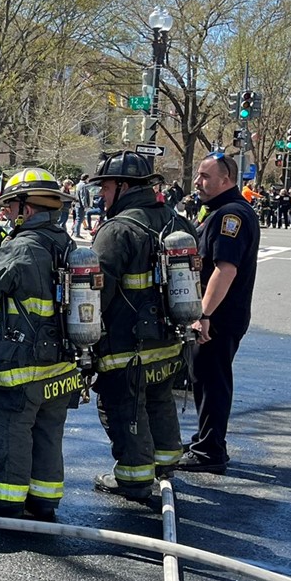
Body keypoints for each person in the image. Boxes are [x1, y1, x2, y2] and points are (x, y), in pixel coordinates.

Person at [0, 166, 84, 522]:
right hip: (61, 365)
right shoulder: (67, 245)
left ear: (27, 208)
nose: (5, 213)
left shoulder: (20, 249)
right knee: (48, 434)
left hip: (21, 364)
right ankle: (43, 501)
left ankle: (4, 501)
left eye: (10, 206)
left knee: (10, 430)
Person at [85, 152, 199, 505]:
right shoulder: (177, 222)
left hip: (126, 344)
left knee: (123, 406)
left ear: (124, 186)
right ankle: (165, 463)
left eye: (105, 187)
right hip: (168, 340)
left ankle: (133, 479)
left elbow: (97, 293)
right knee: (158, 399)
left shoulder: (117, 230)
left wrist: (83, 339)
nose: (101, 195)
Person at [177, 150, 261, 475]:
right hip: (217, 315)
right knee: (204, 379)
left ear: (226, 180)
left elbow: (225, 270)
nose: (198, 182)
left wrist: (204, 315)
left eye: (205, 176)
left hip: (220, 317)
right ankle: (206, 442)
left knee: (213, 382)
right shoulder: (218, 211)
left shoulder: (231, 215)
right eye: (199, 175)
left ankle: (209, 451)